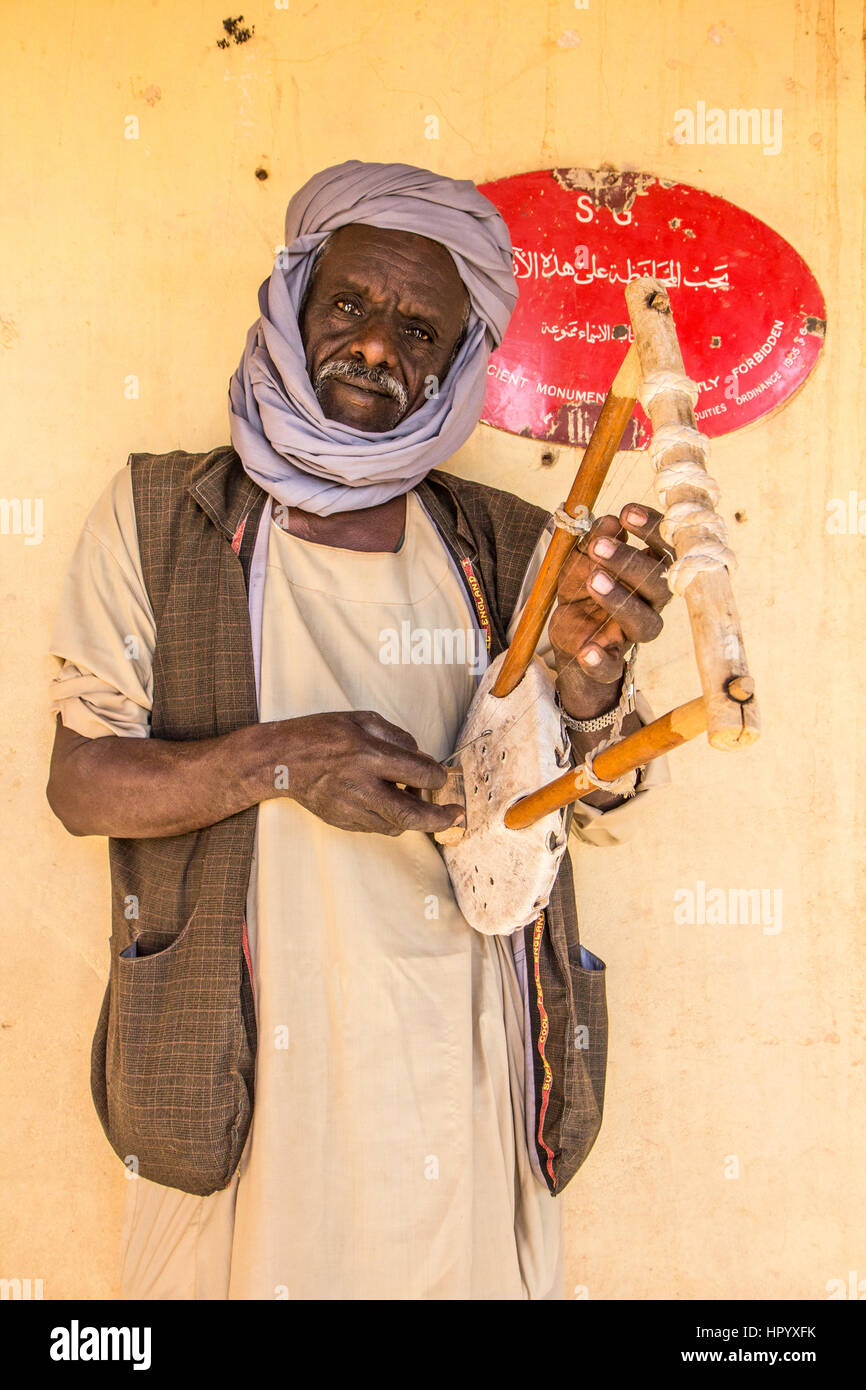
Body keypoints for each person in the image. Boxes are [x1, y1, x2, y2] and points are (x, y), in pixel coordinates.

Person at [46, 161, 672, 1300]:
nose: (379, 347)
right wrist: (287, 758)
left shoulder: (512, 545)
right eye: (350, 306)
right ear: (294, 304)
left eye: (419, 328)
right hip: (236, 1077)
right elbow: (83, 782)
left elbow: (595, 791)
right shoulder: (157, 517)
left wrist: (589, 683)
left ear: (455, 360)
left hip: (463, 1064)